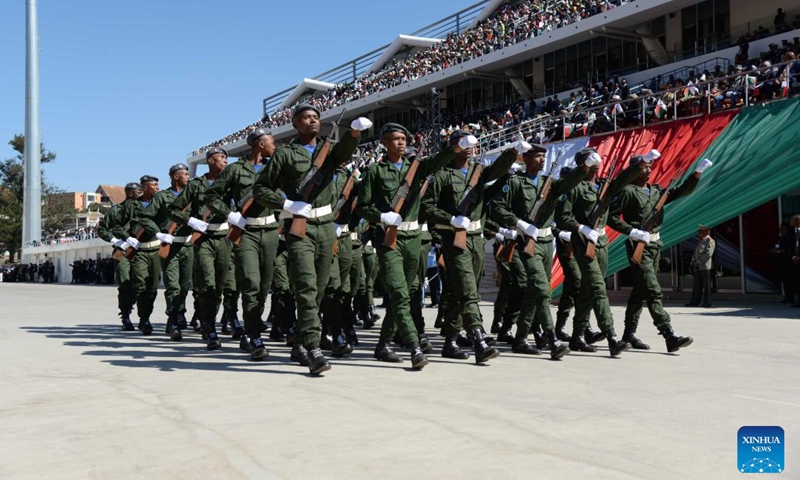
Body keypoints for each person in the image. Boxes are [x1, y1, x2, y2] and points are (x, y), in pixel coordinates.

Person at [253, 104, 370, 374]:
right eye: (306, 118)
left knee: (319, 287)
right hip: (300, 226)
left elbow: (344, 152)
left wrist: (353, 134)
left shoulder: (327, 152)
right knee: (306, 286)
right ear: (295, 123)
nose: (313, 121)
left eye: (316, 118)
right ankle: (313, 347)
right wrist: (287, 204)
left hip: (326, 226)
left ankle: (301, 342)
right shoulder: (284, 154)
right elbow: (260, 189)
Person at [359, 123, 468, 369]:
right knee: (398, 293)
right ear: (385, 143)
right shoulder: (375, 171)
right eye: (396, 139)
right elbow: (363, 205)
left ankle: (383, 344)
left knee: (406, 295)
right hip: (389, 240)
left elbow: (438, 160)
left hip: (413, 241)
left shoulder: (416, 168)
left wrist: (456, 147)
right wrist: (380, 216)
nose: (402, 142)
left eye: (404, 138)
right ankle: (414, 346)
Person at [423, 130, 519, 363]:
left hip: (477, 238)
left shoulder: (478, 172)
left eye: (471, 144)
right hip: (455, 237)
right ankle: (479, 339)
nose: (469, 147)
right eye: (461, 143)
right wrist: (450, 219)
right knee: (468, 290)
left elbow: (496, 173)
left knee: (461, 291)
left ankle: (451, 341)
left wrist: (513, 152)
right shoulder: (443, 175)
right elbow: (426, 206)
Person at [489, 143, 586, 359]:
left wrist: (584, 168)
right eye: (537, 156)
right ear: (526, 158)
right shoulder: (515, 183)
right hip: (526, 243)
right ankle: (552, 339)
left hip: (545, 242)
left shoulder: (549, 183)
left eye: (544, 156)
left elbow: (569, 182)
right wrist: (518, 224)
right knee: (541, 290)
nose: (542, 159)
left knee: (536, 292)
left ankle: (521, 338)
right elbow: (496, 207)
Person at [609, 155, 711, 352]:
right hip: (639, 246)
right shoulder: (627, 192)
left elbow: (682, 191)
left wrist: (697, 173)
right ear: (634, 170)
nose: (649, 170)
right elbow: (611, 217)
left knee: (640, 291)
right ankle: (669, 334)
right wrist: (632, 231)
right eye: (645, 167)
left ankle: (629, 334)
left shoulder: (656, 191)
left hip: (655, 245)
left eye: (650, 167)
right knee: (653, 291)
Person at [555, 148, 647, 357]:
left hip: (602, 242)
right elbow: (563, 218)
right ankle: (612, 335)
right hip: (583, 242)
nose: (597, 162)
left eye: (597, 159)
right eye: (590, 159)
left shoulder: (603, 186)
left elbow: (624, 179)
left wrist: (640, 165)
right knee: (597, 288)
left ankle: (578, 336)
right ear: (582, 164)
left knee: (589, 289)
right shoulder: (574, 187)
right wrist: (581, 228)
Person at [205, 127, 281, 360]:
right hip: (245, 231)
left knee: (264, 284)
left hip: (269, 231)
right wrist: (229, 215)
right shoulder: (235, 170)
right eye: (271, 142)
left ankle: (251, 326)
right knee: (250, 282)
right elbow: (212, 196)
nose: (274, 146)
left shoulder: (275, 167)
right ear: (259, 144)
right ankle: (255, 336)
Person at [170, 147, 233, 350]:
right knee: (207, 284)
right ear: (210, 161)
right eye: (221, 158)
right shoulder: (196, 185)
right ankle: (209, 327)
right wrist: (191, 221)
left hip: (225, 237)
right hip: (203, 238)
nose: (225, 161)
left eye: (226, 158)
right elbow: (174, 209)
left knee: (220, 287)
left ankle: (211, 321)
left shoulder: (231, 181)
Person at [139, 163, 193, 341]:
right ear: (175, 177)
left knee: (185, 286)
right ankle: (173, 320)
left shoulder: (192, 195)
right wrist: (158, 233)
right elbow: (146, 217)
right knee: (173, 285)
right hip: (169, 246)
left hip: (188, 246)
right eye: (185, 174)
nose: (188, 177)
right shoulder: (162, 197)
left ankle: (180, 313)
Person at [97, 182, 142, 330]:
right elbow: (102, 230)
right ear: (130, 193)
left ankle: (141, 314)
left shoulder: (144, 209)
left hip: (140, 250)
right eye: (138, 191)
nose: (141, 193)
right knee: (125, 284)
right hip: (122, 251)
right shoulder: (116, 210)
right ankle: (126, 315)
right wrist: (116, 240)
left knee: (141, 284)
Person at [126, 175, 162, 335]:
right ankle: (144, 319)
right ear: (145, 187)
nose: (158, 188)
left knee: (153, 286)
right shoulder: (132, 206)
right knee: (141, 284)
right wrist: (126, 238)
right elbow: (120, 225)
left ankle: (146, 315)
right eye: (154, 185)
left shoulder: (160, 203)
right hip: (139, 250)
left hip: (155, 249)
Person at [686, 225, 716, 307]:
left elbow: (708, 254)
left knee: (707, 286)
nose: (699, 234)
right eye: (699, 232)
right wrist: (693, 260)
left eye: (701, 232)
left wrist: (698, 262)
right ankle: (694, 301)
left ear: (706, 232)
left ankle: (707, 302)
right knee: (697, 285)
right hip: (698, 266)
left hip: (706, 267)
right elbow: (696, 252)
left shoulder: (710, 241)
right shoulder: (701, 241)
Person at [771, 222, 794, 303]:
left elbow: (786, 250)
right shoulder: (779, 239)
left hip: (789, 263)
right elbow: (775, 247)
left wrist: (779, 251)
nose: (781, 231)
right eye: (780, 229)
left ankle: (791, 298)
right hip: (781, 263)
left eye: (783, 229)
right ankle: (787, 297)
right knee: (784, 281)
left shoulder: (790, 238)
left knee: (790, 281)